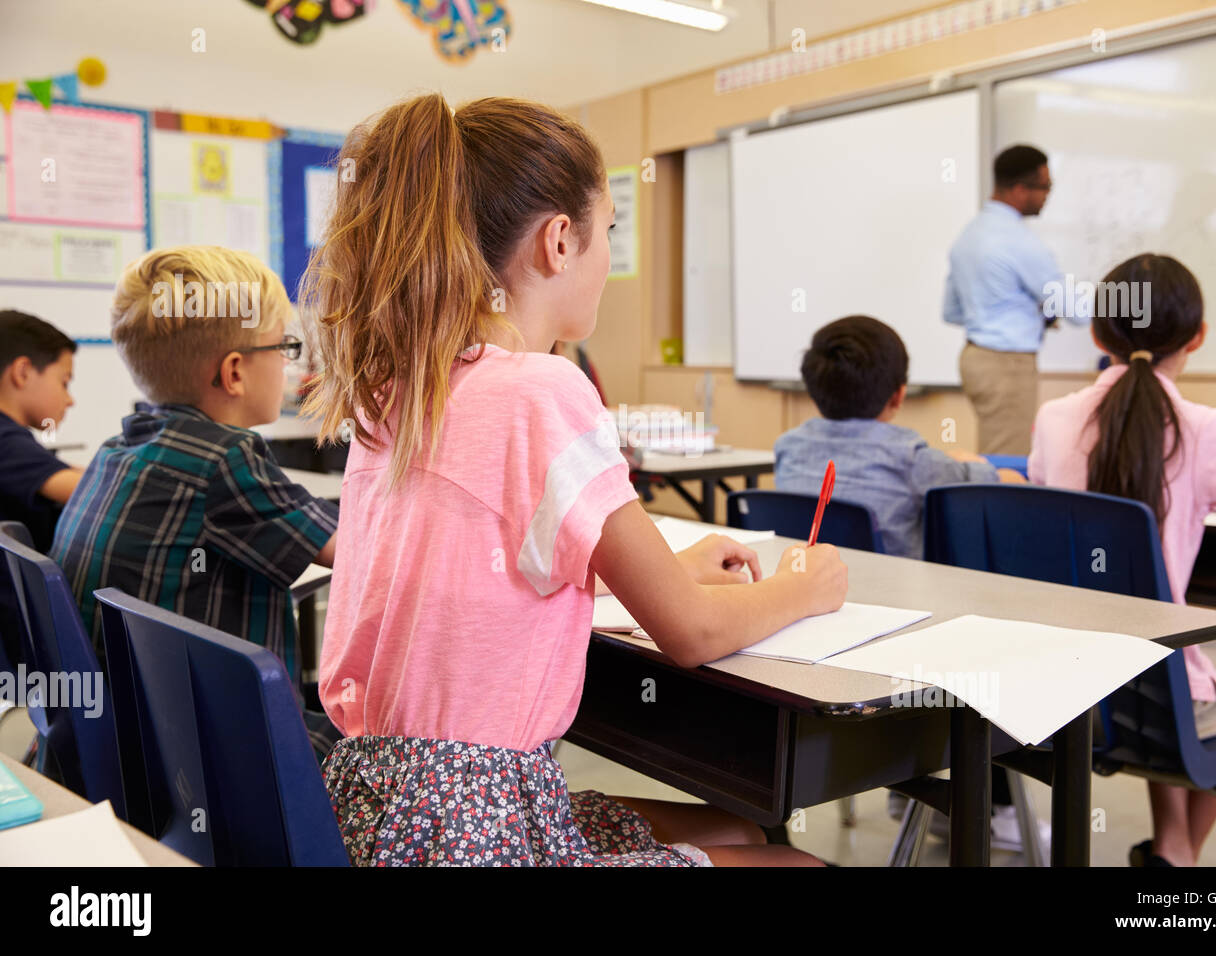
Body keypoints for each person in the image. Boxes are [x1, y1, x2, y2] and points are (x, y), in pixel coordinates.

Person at [307, 93, 845, 867]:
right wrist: (809, 585)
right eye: (610, 234)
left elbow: (465, 583)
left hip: (376, 806)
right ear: (559, 241)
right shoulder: (542, 389)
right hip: (474, 826)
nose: (607, 260)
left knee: (736, 830)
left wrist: (646, 576)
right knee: (793, 862)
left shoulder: (402, 386)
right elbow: (691, 634)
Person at [1029, 252, 1216, 866]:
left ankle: (1172, 847)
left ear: (1099, 335)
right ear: (1198, 337)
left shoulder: (1053, 418)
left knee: (1162, 640)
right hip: (1154, 692)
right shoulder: (1206, 429)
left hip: (1066, 691)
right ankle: (1178, 855)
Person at [49, 246, 342, 757]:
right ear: (234, 373)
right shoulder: (226, 459)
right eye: (284, 346)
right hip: (220, 760)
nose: (289, 364)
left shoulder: (120, 447)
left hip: (127, 748)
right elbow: (362, 553)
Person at [775, 314, 1026, 560]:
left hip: (807, 592)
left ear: (812, 389)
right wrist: (974, 463)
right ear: (899, 395)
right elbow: (1004, 486)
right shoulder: (911, 458)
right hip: (894, 594)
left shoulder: (787, 447)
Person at [943, 144, 1087, 454]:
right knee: (1007, 462)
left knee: (995, 450)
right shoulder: (1019, 241)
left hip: (975, 359)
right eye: (1045, 187)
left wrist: (1016, 309)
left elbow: (952, 311)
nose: (1048, 195)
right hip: (1007, 365)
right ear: (1021, 189)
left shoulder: (968, 235)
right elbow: (1076, 311)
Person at [0, 311, 84, 666]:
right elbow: (90, 490)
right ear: (22, 373)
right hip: (22, 650)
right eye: (64, 382)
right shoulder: (6, 441)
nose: (70, 400)